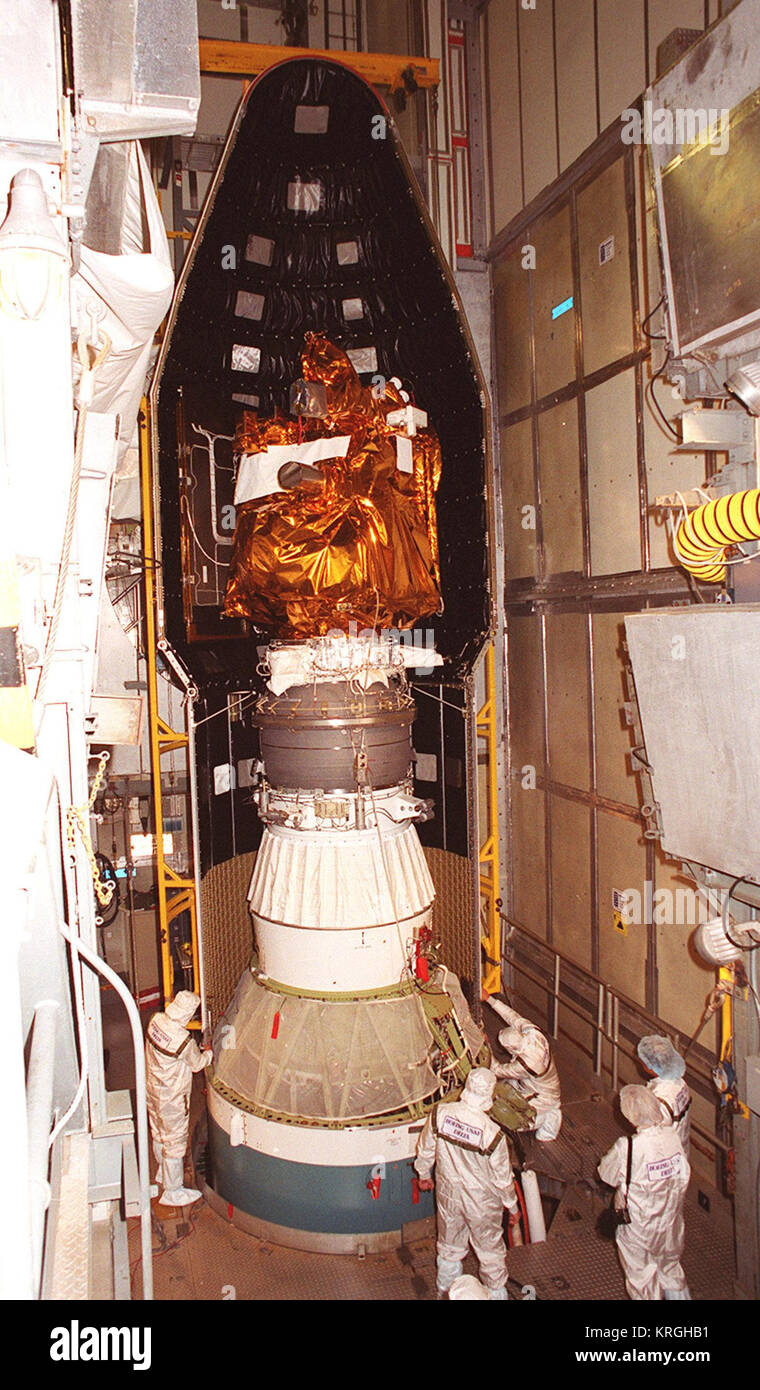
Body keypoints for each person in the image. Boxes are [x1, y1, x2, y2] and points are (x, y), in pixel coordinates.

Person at [414, 1067, 521, 1300]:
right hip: (482, 1202)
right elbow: (503, 1179)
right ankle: (495, 1295)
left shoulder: (439, 1114)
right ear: (489, 1094)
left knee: (449, 1248)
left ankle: (445, 1293)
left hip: (448, 1194)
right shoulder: (492, 1134)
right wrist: (512, 1207)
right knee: (490, 1252)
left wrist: (424, 1175)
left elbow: (425, 1150)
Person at [598, 1083, 691, 1301]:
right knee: (671, 1270)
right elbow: (683, 1174)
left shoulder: (627, 1147)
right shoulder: (672, 1135)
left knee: (641, 1280)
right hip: (671, 1221)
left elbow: (606, 1175)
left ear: (629, 1116)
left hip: (639, 1228)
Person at [145, 991, 212, 1206]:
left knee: (158, 1131)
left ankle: (163, 1173)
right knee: (174, 1141)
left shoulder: (155, 1021)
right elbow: (197, 1064)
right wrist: (209, 1053)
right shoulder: (182, 1040)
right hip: (172, 1097)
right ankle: (173, 1192)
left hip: (153, 1088)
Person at [487, 997, 562, 1141]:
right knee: (503, 1089)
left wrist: (486, 1045)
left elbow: (497, 1070)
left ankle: (547, 1119)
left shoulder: (527, 1064)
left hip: (543, 1096)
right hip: (533, 1084)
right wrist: (490, 1000)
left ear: (510, 1048)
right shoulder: (533, 1033)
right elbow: (513, 1017)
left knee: (510, 1120)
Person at [637, 1034, 691, 1161]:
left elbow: (652, 1138)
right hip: (680, 1150)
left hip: (663, 1161)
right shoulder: (680, 1083)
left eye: (643, 1061)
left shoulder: (659, 1100)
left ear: (650, 1066)